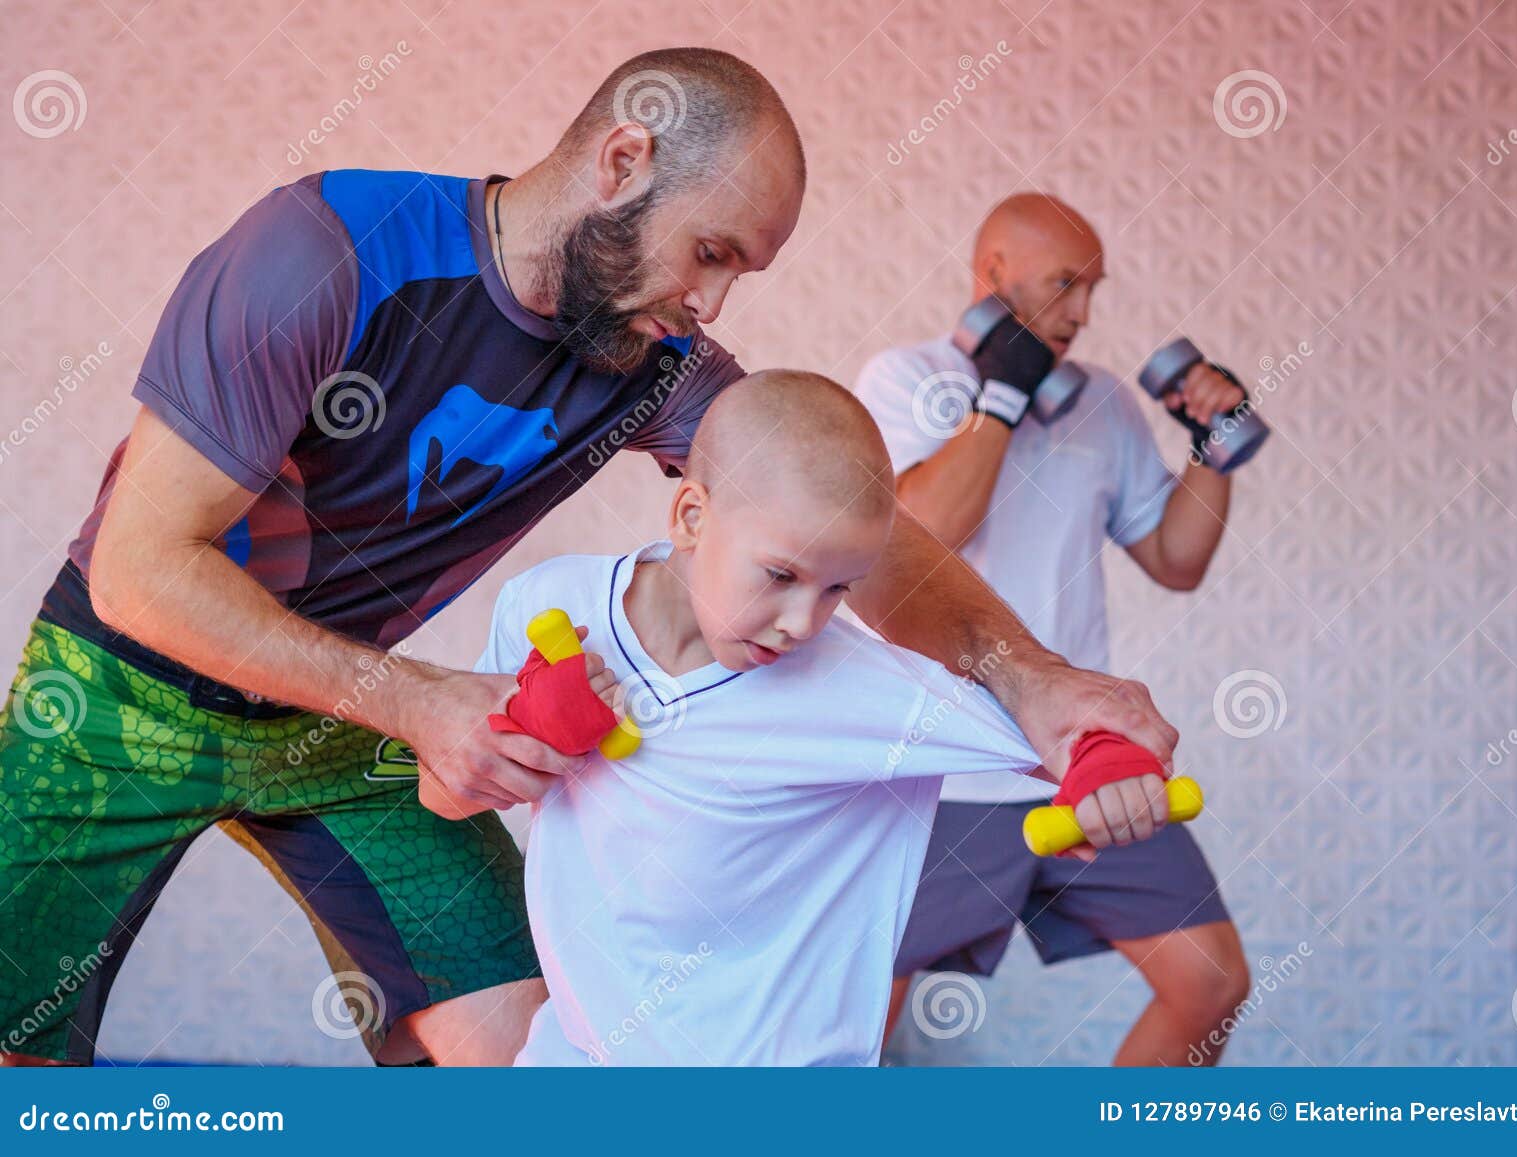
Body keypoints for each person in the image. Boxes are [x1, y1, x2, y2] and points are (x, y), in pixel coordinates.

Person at [0, 52, 1177, 1067]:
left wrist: (1035, 679)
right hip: (116, 689)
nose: (711, 302)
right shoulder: (328, 249)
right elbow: (141, 570)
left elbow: (842, 528)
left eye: (738, 273)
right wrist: (417, 702)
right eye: (708, 251)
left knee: (533, 1060)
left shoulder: (657, 362)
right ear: (620, 161)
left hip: (342, 709)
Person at [469, 370, 1170, 1066]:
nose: (803, 622)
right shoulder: (550, 603)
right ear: (691, 516)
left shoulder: (860, 685)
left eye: (838, 588)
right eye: (781, 576)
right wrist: (527, 723)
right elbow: (449, 796)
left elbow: (1077, 742)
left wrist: (1113, 775)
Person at [856, 193, 1252, 1066]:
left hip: (1081, 763)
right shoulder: (904, 379)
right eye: (1065, 284)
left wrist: (1211, 445)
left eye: (1094, 288)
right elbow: (920, 539)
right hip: (941, 772)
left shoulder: (1103, 403)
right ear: (994, 273)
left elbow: (1176, 559)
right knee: (855, 1026)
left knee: (1211, 981)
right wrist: (1001, 394)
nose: (1083, 312)